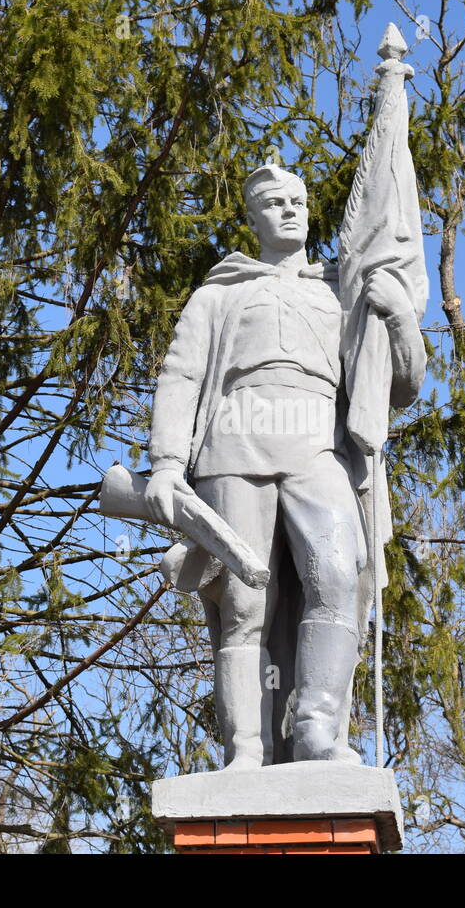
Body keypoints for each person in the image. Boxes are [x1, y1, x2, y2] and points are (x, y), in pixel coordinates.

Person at [145, 164, 425, 768]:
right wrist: (167, 463)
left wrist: (400, 316)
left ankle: (317, 728)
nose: (290, 211)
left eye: (298, 200)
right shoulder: (218, 294)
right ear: (252, 218)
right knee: (243, 604)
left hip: (316, 446)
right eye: (274, 203)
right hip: (234, 445)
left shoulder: (341, 292)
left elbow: (400, 388)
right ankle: (246, 747)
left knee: (340, 577)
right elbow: (182, 375)